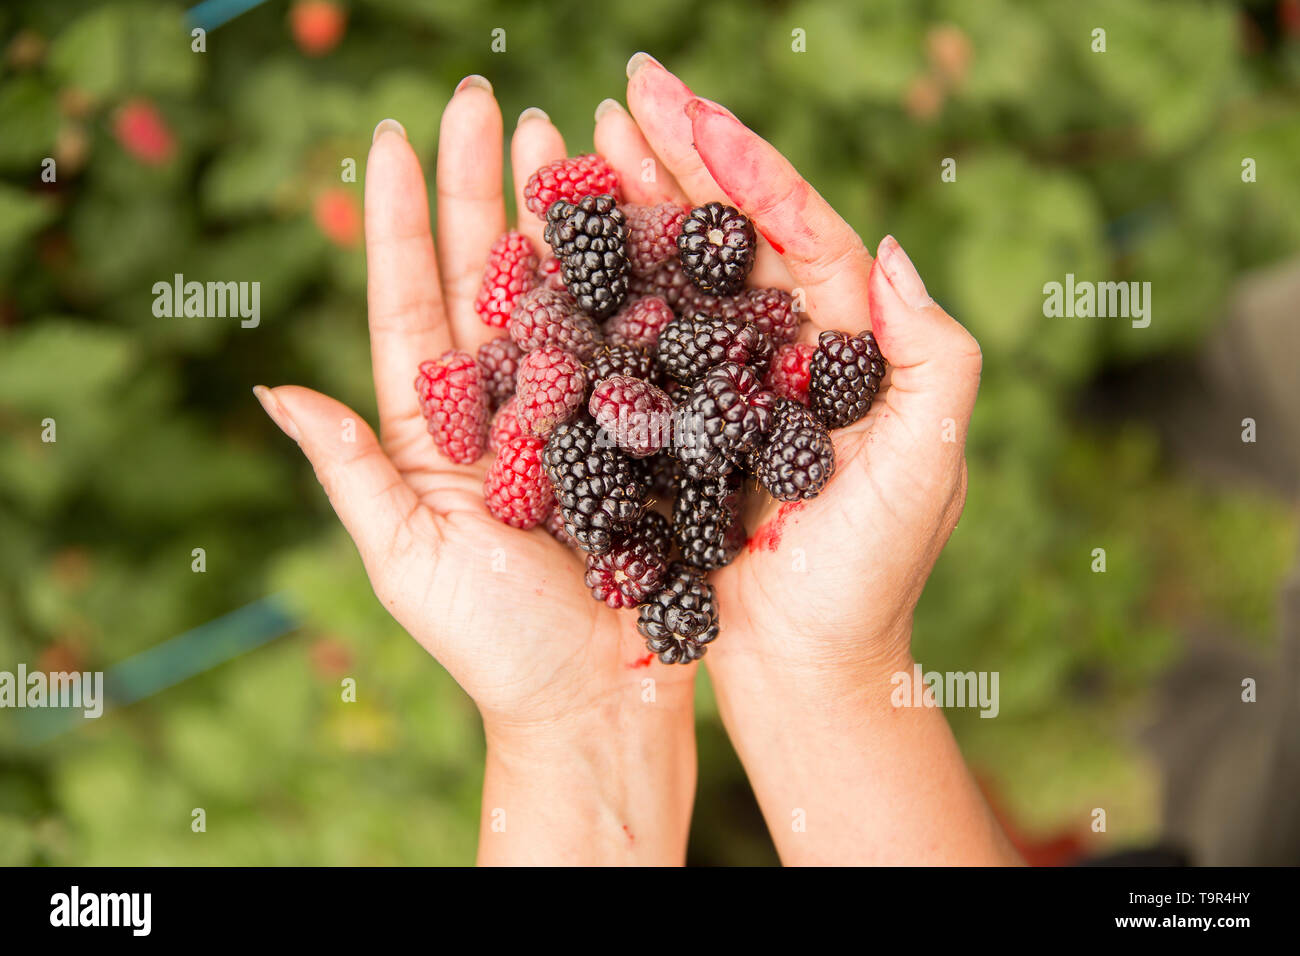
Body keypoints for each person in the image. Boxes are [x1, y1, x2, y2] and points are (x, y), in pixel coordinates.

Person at [253, 53, 1021, 866]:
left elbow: (676, 417)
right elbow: (602, 418)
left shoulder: (680, 376)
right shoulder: (574, 390)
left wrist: (820, 664)